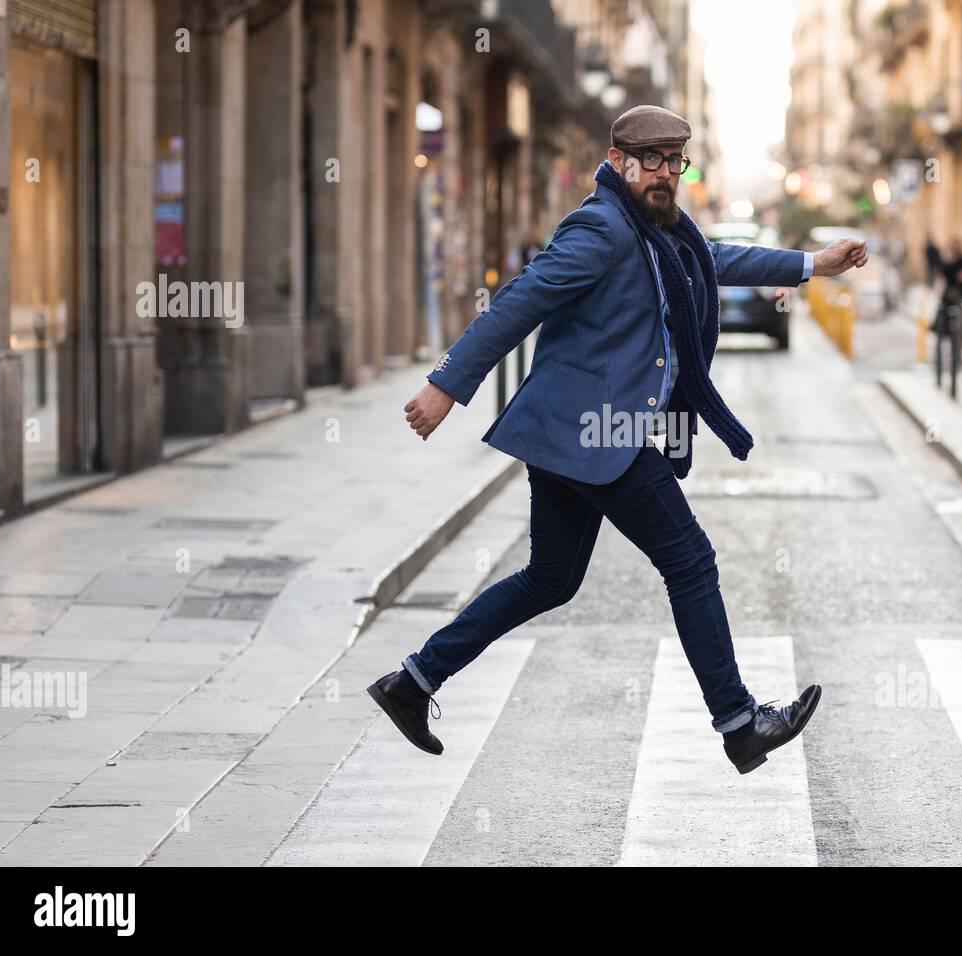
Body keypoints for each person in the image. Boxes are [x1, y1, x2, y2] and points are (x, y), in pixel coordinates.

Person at [368, 105, 869, 776]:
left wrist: (811, 263)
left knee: (550, 578)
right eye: (651, 161)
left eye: (675, 162)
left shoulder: (655, 231)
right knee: (690, 561)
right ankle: (739, 722)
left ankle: (413, 682)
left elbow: (711, 257)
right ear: (618, 159)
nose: (665, 174)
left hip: (574, 433)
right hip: (596, 433)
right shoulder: (600, 228)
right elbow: (519, 301)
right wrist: (446, 385)